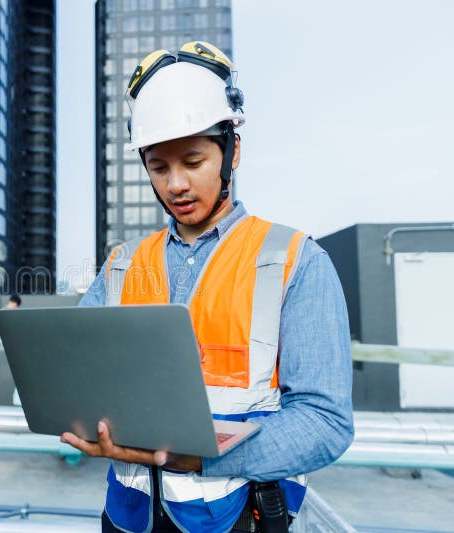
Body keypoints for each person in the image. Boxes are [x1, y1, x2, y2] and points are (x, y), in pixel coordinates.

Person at [61, 42, 354, 532]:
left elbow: (325, 423)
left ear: (232, 151)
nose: (176, 184)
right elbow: (77, 376)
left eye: (193, 161)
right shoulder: (122, 264)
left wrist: (199, 458)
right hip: (129, 516)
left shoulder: (296, 260)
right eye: (159, 166)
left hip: (241, 516)